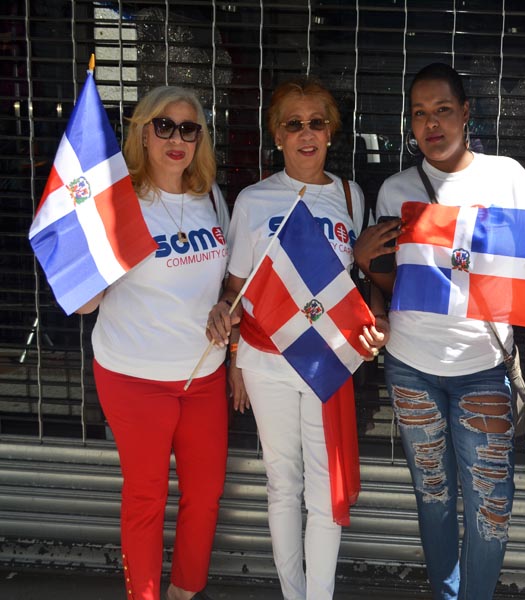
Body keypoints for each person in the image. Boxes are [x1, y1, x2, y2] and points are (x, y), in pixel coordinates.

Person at [353, 62, 525, 600]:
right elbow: (392, 285)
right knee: (435, 497)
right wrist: (363, 260)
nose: (431, 124)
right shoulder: (396, 190)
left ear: (466, 112)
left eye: (443, 110)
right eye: (419, 114)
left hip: (484, 369)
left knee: (491, 507)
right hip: (410, 366)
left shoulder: (507, 176)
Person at [205, 76, 388, 600]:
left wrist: (376, 321)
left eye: (316, 122)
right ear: (277, 135)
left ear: (331, 132)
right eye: (294, 124)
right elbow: (236, 292)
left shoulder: (351, 198)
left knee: (324, 489)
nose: (306, 133)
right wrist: (235, 360)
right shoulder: (252, 200)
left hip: (329, 361)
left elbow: (369, 278)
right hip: (266, 360)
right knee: (283, 484)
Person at [76, 86, 231, 600]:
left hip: (202, 375)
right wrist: (87, 277)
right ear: (143, 131)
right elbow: (84, 304)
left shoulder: (211, 197)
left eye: (189, 129)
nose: (176, 138)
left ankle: (186, 589)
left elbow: (226, 282)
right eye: (164, 125)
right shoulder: (118, 202)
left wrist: (222, 308)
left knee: (205, 495)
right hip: (133, 376)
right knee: (145, 497)